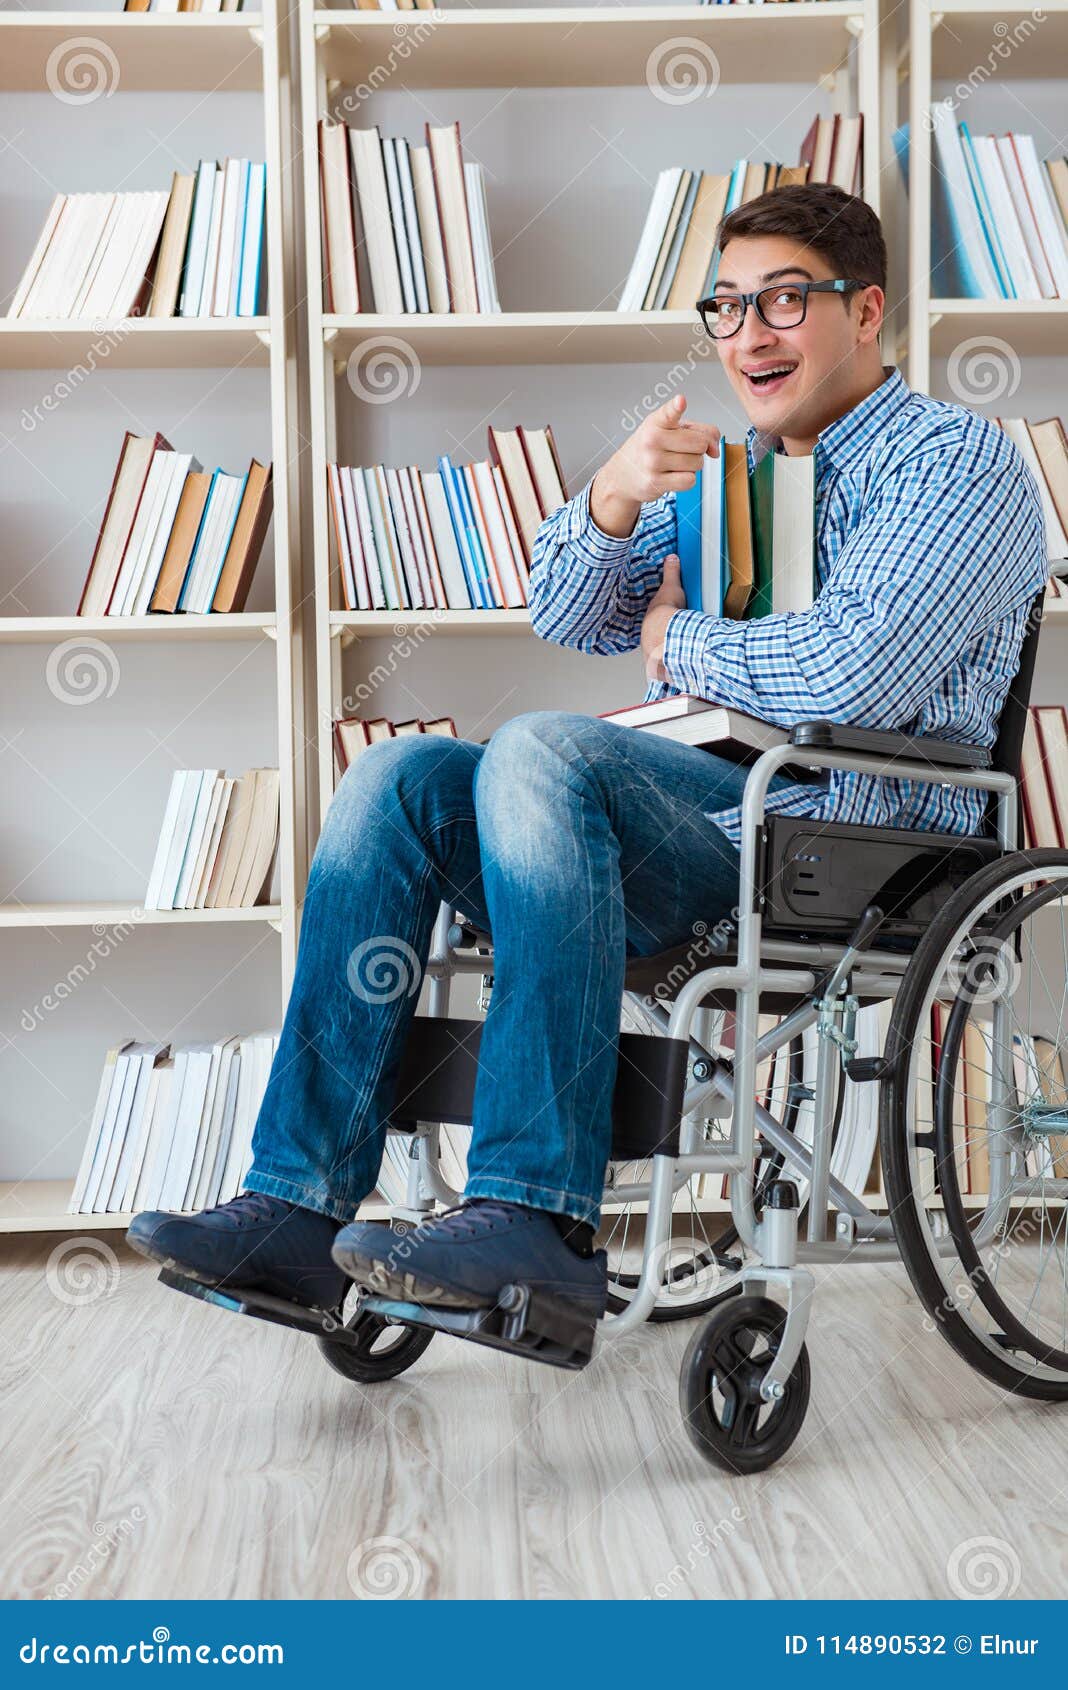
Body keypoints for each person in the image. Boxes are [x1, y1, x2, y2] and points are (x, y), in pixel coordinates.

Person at [127, 182, 1046, 1331]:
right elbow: (565, 610)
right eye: (726, 306)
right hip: (706, 824)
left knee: (545, 751)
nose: (749, 334)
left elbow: (848, 672)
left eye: (784, 301)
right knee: (396, 781)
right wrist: (611, 500)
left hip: (851, 846)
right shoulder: (732, 481)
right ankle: (297, 1210)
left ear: (866, 314)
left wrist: (678, 639)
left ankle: (533, 1216)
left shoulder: (957, 468)